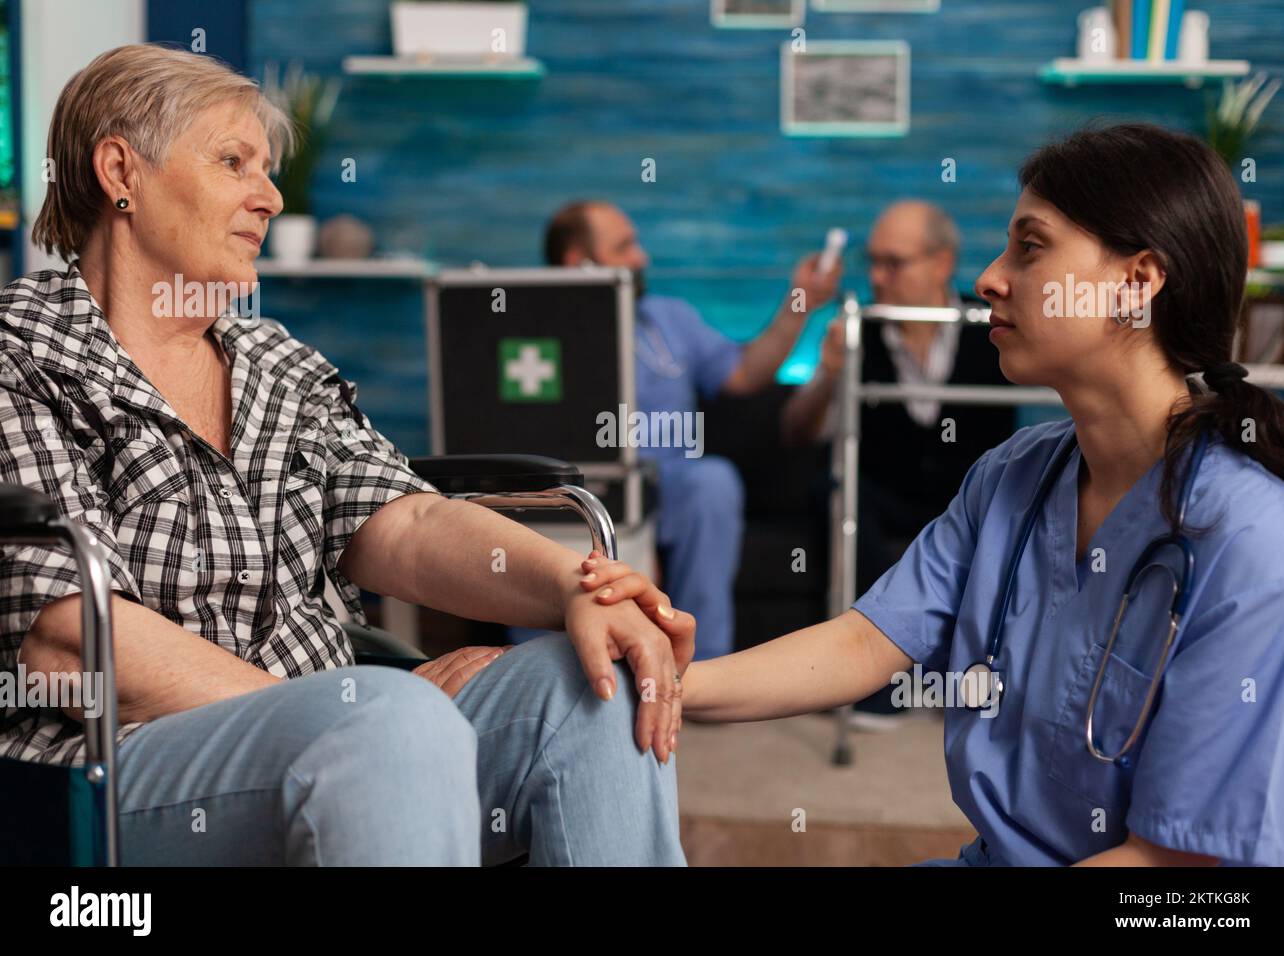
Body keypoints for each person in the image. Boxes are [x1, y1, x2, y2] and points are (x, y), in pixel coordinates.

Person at [0, 44, 693, 866]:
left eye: (267, 170)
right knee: (390, 724)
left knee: (590, 689)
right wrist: (343, 709)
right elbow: (68, 641)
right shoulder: (24, 353)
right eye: (234, 163)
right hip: (116, 769)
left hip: (357, 729)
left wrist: (577, 588)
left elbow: (408, 523)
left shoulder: (276, 362)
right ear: (122, 171)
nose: (269, 197)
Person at [579, 123, 1284, 866]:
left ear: (1137, 283)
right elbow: (865, 642)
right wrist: (660, 679)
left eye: (1030, 247)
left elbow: (1173, 872)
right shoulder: (1015, 474)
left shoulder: (1255, 543)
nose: (989, 278)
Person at [542, 200, 840, 659]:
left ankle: (702, 663)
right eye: (624, 247)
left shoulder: (667, 318)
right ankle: (547, 664)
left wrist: (799, 302)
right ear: (579, 261)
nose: (641, 257)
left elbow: (743, 374)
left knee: (713, 480)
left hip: (669, 486)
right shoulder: (537, 332)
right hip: (584, 489)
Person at [782, 201, 1016, 729]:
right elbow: (796, 433)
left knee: (1012, 496)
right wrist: (828, 373)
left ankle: (980, 669)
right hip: (884, 495)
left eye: (894, 263)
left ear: (942, 262)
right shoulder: (855, 332)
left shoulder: (993, 326)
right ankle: (874, 681)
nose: (877, 277)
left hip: (970, 496)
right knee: (836, 491)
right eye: (873, 262)